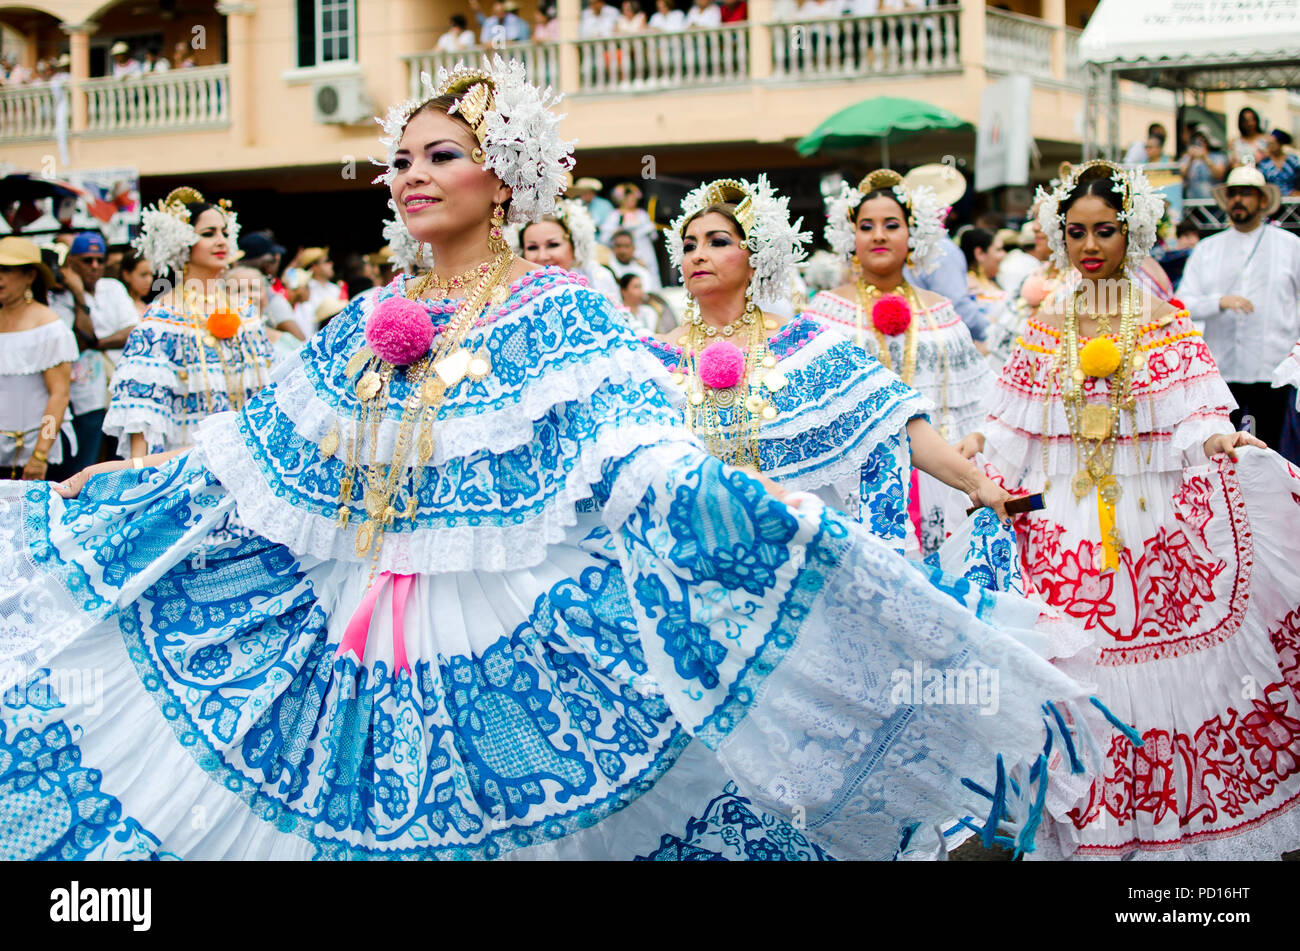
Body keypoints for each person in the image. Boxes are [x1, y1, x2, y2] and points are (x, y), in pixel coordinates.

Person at [0, 58, 1122, 862]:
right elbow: (250, 461)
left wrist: (754, 519)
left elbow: (633, 452)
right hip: (348, 628)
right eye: (400, 161)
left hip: (513, 627)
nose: (411, 176)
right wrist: (111, 486)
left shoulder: (558, 307)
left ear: (507, 177)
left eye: (442, 155)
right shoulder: (367, 315)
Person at [957, 160, 1300, 860]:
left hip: (1153, 519)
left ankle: (1169, 839)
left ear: (1131, 233)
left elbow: (1192, 412)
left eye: (1105, 231)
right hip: (1065, 521)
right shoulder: (1049, 316)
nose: (1089, 245)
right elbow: (1016, 423)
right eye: (1075, 231)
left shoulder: (1160, 316)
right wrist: (977, 445)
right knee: (1083, 674)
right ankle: (1094, 829)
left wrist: (1217, 437)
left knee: (1165, 669)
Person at [651, 176, 1020, 573]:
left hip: (787, 560)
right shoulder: (652, 358)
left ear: (757, 255)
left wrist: (974, 483)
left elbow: (893, 420)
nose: (697, 255)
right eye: (689, 246)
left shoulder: (804, 343)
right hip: (685, 560)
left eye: (717, 242)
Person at [803, 169, 996, 555]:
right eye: (866, 226)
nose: (878, 235)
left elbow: (980, 394)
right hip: (852, 476)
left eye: (891, 225)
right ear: (850, 236)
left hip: (939, 475)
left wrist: (976, 437)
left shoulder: (940, 311)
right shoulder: (822, 313)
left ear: (913, 234)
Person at [102, 188, 275, 460]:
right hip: (188, 467)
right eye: (208, 234)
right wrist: (141, 476)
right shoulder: (161, 320)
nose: (221, 241)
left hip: (247, 462)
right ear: (181, 242)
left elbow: (268, 395)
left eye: (224, 233)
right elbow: (142, 412)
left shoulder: (246, 314)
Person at [1178, 163, 1300, 462]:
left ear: (1262, 201)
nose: (1238, 201)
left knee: (1270, 452)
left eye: (1246, 194)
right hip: (1222, 373)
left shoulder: (1290, 246)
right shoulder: (1207, 249)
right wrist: (1219, 301)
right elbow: (1181, 304)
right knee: (1222, 454)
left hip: (1272, 369)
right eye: (1233, 194)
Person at [55, 232, 139, 468]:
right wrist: (78, 293)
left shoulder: (112, 287)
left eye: (99, 260)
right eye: (87, 260)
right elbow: (80, 338)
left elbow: (133, 330)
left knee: (119, 463)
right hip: (85, 396)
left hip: (121, 391)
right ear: (71, 262)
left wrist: (97, 343)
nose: (95, 266)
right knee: (85, 464)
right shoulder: (60, 295)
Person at [0, 236, 75, 481]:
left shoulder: (50, 327)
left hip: (35, 452)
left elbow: (60, 395)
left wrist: (40, 454)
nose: (0, 277)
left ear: (30, 276)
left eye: (6, 270)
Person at [901, 164, 991, 351]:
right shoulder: (941, 249)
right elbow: (955, 306)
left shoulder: (907, 242)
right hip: (935, 346)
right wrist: (991, 331)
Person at [517, 197, 624, 306]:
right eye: (532, 248)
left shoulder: (598, 279)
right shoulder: (514, 289)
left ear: (574, 246)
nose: (542, 256)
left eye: (553, 245)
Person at [961, 227, 1014, 369]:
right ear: (980, 253)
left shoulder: (996, 281)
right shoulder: (968, 286)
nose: (1003, 254)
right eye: (998, 249)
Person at [238, 231, 304, 340]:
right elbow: (299, 339)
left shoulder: (225, 286)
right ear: (266, 264)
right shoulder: (271, 297)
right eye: (274, 259)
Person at [600, 182, 662, 289]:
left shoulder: (642, 214)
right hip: (623, 256)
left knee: (649, 276)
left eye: (633, 200)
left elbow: (654, 236)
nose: (631, 203)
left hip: (644, 252)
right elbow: (604, 238)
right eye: (628, 199)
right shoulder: (615, 215)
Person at [291, 247, 344, 339]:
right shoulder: (305, 291)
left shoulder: (336, 288)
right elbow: (304, 322)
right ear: (314, 267)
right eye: (326, 261)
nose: (331, 264)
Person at [1180, 129, 1227, 201]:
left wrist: (1205, 158)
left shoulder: (1218, 156)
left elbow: (1219, 174)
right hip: (1192, 203)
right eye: (1194, 142)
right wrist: (1190, 159)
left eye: (1201, 141)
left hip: (1213, 202)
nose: (1198, 145)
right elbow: (1181, 175)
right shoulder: (1187, 158)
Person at [1258, 129, 1300, 196]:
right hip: (1272, 197)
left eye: (1273, 144)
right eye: (1269, 144)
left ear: (1280, 144)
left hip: (1293, 196)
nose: (1270, 146)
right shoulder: (1264, 163)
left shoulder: (1292, 160)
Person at [117, 249, 155, 319]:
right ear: (127, 275)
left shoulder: (148, 306)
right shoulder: (119, 306)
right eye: (143, 275)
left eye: (151, 274)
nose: (149, 280)